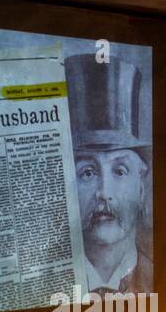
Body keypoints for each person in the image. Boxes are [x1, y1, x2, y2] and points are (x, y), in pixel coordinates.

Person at [64, 54, 153, 295]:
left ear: (142, 184)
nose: (104, 192)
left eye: (119, 171)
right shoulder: (45, 284)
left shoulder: (161, 280)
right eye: (88, 172)